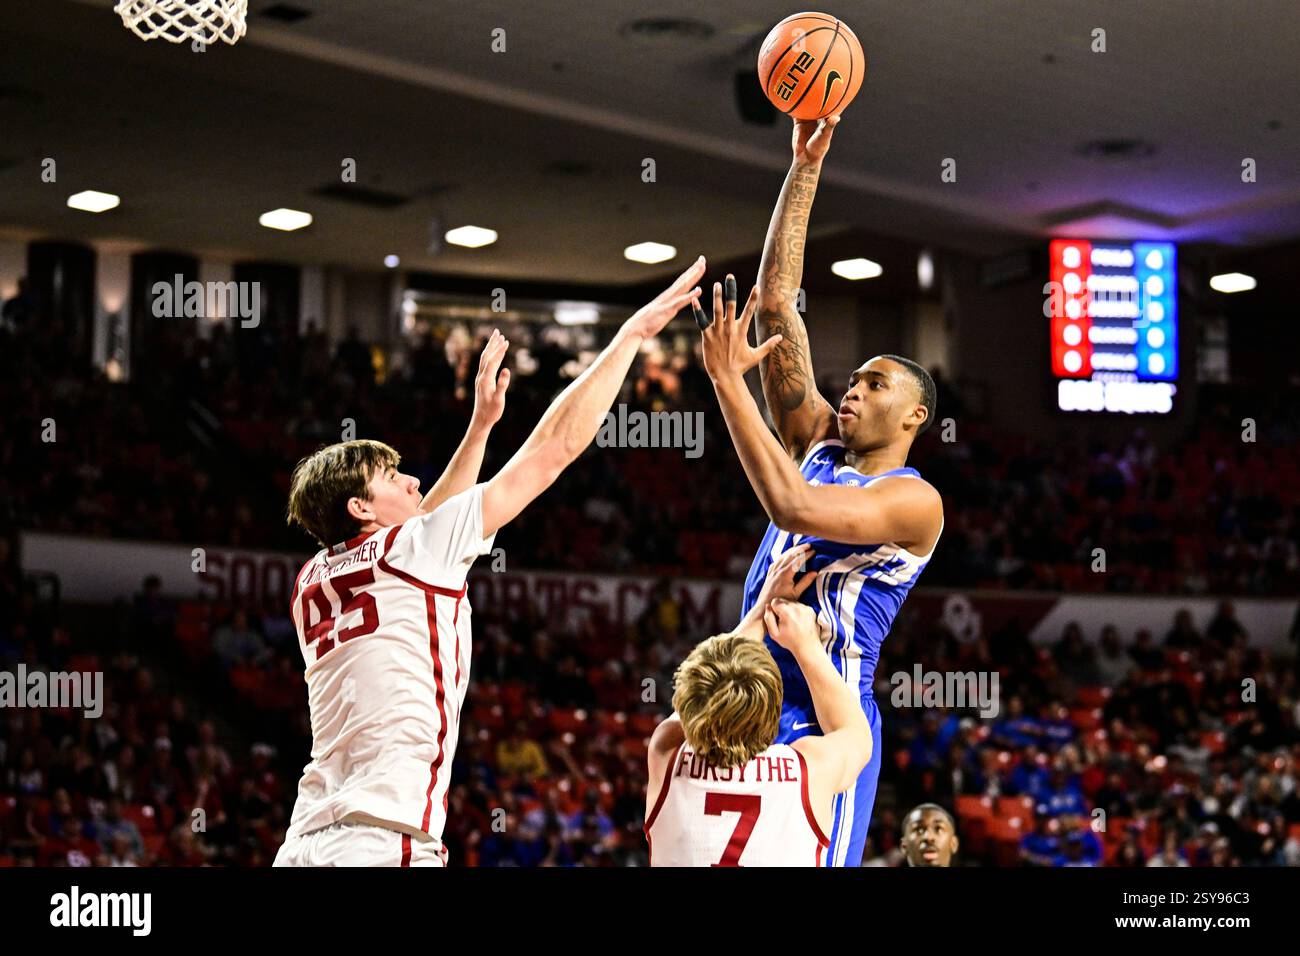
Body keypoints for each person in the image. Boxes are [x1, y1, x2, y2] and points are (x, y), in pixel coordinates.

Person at [274, 260, 706, 867]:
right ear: (360, 507)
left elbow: (428, 525)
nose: (412, 481)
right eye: (393, 478)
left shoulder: (312, 579)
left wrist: (479, 427)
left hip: (305, 839)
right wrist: (630, 336)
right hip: (383, 837)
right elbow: (553, 451)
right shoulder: (412, 551)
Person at [695, 113, 943, 867]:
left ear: (915, 416)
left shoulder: (915, 501)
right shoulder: (817, 442)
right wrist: (804, 165)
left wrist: (726, 386)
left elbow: (792, 509)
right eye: (854, 378)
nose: (852, 391)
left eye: (875, 384)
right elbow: (777, 302)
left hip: (825, 713)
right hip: (747, 689)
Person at [644, 546, 872, 866]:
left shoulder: (666, 753)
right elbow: (857, 735)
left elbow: (694, 697)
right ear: (771, 716)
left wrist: (758, 612)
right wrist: (807, 646)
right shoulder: (807, 769)